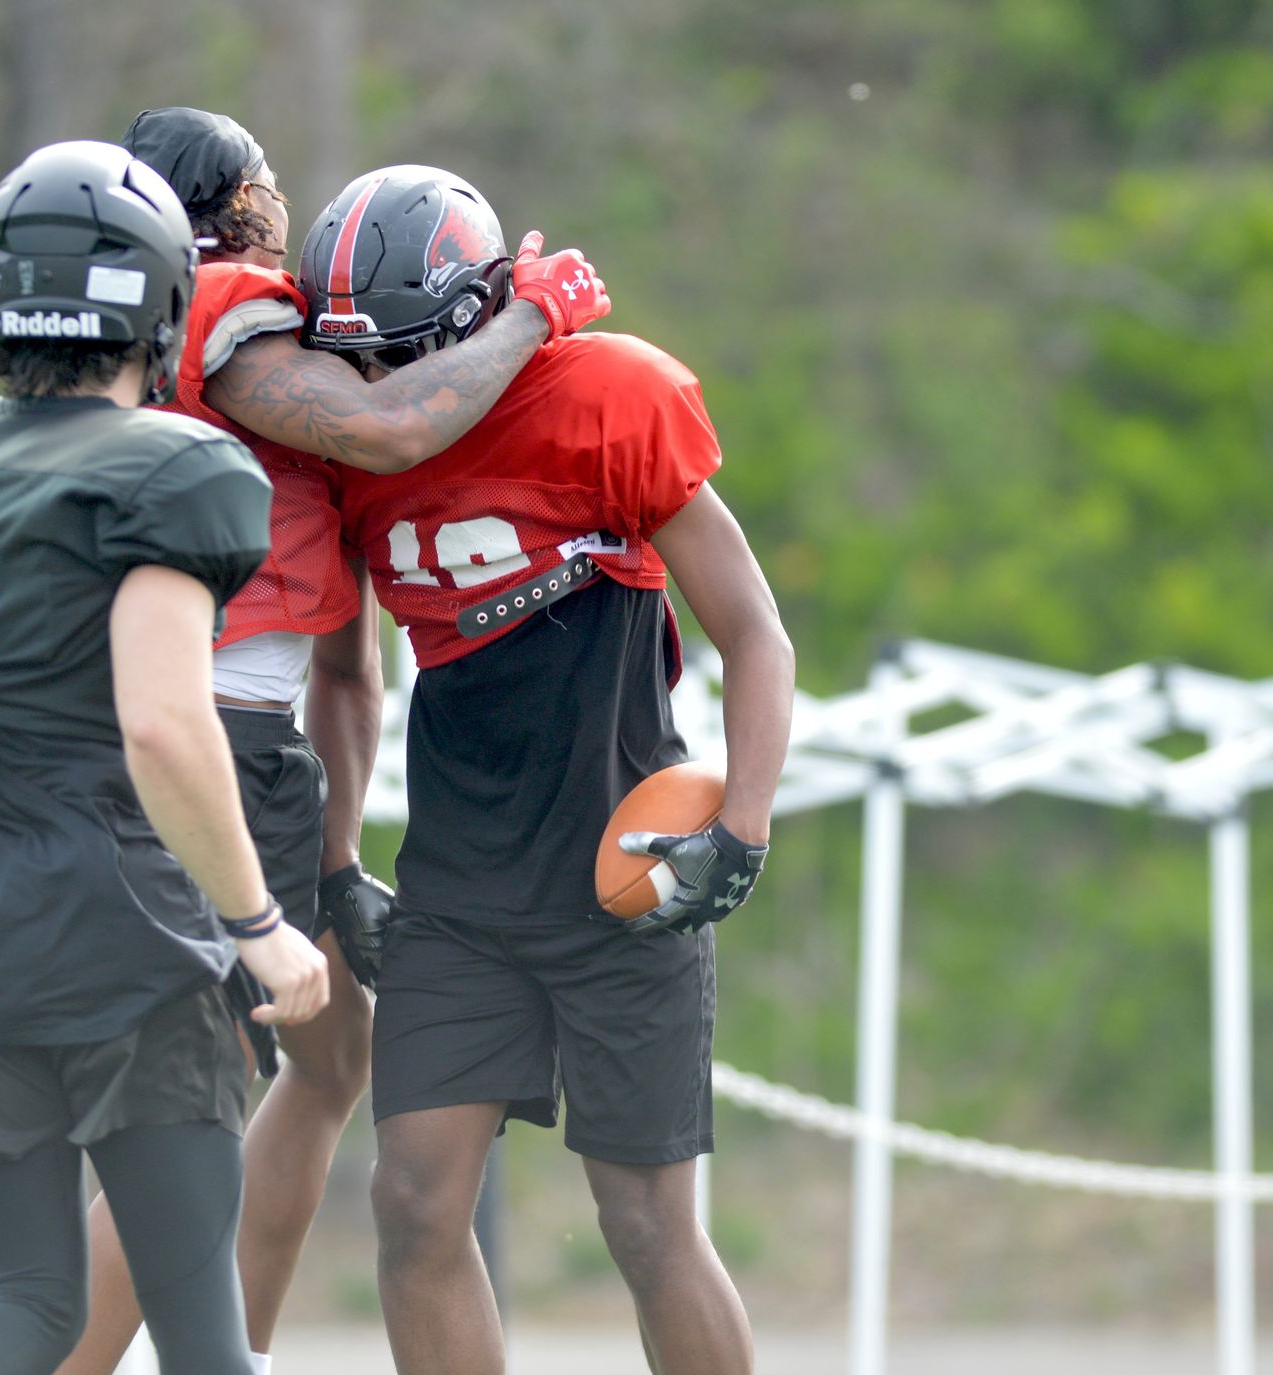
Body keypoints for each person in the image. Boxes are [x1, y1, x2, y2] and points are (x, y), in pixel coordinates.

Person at [52, 109, 614, 1375]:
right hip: (201, 743)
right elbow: (388, 430)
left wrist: (334, 864)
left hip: (210, 750)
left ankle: (224, 1350)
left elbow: (349, 673)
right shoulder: (216, 302)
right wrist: (530, 310)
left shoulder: (207, 375)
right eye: (258, 187)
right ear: (218, 210)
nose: (275, 207)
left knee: (327, 1053)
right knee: (186, 1122)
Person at [0, 140, 329, 1375]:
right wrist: (259, 921)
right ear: (159, 304)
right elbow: (164, 721)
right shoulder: (171, 466)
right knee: (205, 1340)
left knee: (32, 1304)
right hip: (115, 950)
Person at [299, 165, 795, 1375]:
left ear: (475, 318)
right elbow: (345, 677)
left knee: (643, 1224)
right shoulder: (347, 453)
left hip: (622, 869)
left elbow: (753, 633)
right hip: (460, 892)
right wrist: (333, 865)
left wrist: (740, 826)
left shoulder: (606, 397)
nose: (374, 389)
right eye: (353, 362)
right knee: (413, 1206)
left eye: (400, 354)